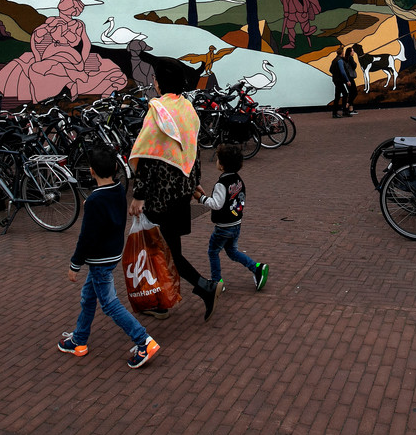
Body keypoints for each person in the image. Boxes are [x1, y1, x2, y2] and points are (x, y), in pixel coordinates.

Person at [128, 61, 219, 320]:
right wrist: (194, 180)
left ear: (159, 83)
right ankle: (165, 301)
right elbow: (193, 148)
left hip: (160, 195)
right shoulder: (187, 108)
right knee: (168, 249)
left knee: (161, 250)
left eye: (155, 78)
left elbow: (147, 156)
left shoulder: (157, 111)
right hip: (181, 192)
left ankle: (202, 288)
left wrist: (139, 195)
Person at [58, 146, 160, 369]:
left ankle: (143, 340)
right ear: (115, 167)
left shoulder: (95, 200)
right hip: (113, 253)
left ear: (91, 171)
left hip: (99, 259)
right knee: (88, 296)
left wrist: (75, 263)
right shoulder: (119, 189)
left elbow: (86, 237)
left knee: (109, 303)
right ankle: (79, 339)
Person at [195, 143, 269, 293]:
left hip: (223, 226)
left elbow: (216, 204)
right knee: (232, 251)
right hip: (236, 223)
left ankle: (217, 281)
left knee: (213, 251)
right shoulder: (238, 180)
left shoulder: (221, 184)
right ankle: (256, 268)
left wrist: (201, 198)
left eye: (218, 159)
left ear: (222, 165)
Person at [330, 49, 353, 118]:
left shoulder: (334, 60)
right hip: (339, 80)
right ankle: (344, 111)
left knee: (337, 96)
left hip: (335, 80)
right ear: (342, 53)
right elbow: (343, 72)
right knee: (345, 94)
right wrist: (347, 80)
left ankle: (335, 112)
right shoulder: (340, 60)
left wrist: (335, 74)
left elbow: (330, 70)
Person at [343, 46, 360, 115]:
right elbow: (354, 66)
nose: (353, 52)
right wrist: (355, 63)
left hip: (347, 77)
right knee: (354, 92)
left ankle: (351, 109)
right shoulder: (350, 58)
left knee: (351, 93)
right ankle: (347, 104)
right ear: (350, 52)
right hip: (350, 77)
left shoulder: (345, 58)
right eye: (352, 51)